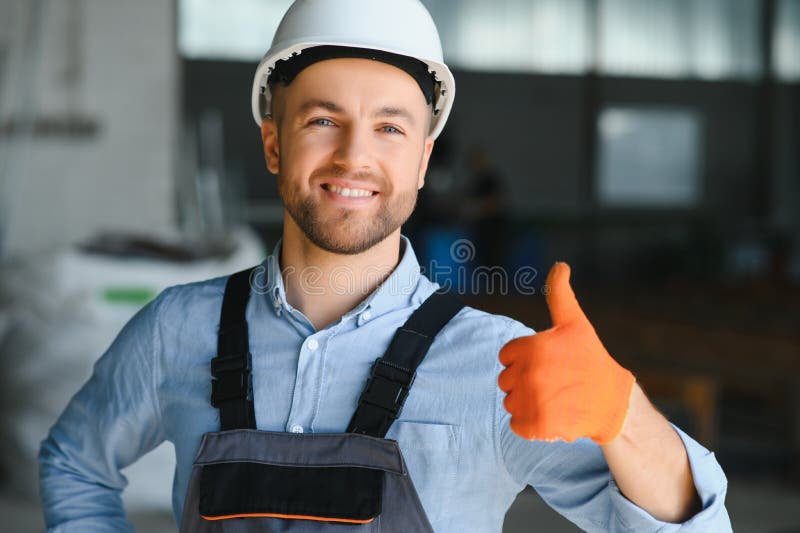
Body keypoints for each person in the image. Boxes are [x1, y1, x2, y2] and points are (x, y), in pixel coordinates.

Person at [38, 0, 732, 531]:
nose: (353, 157)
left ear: (424, 161)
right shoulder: (175, 329)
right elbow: (73, 459)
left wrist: (623, 413)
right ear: (274, 144)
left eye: (391, 128)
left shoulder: (498, 366)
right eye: (322, 120)